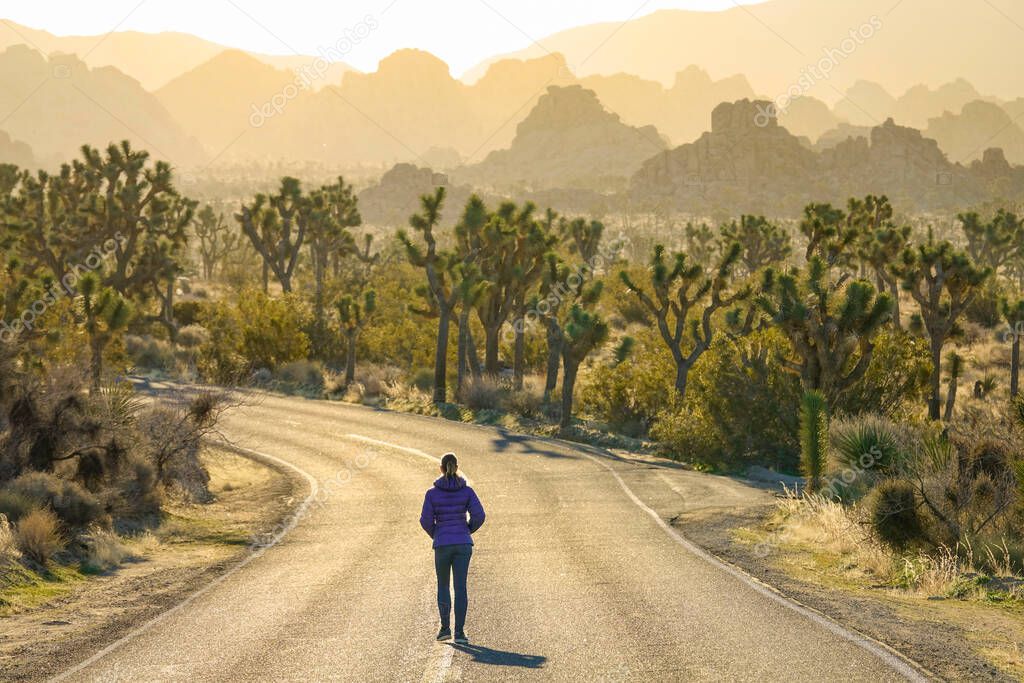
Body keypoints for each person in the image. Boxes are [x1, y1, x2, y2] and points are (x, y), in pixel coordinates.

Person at [419, 452, 485, 645]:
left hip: (442, 545)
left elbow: (425, 520)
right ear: (457, 467)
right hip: (463, 543)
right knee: (460, 587)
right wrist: (466, 531)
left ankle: (445, 629)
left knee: (443, 585)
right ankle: (460, 632)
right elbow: (479, 515)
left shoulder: (432, 494)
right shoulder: (467, 491)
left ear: (441, 468)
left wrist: (437, 534)